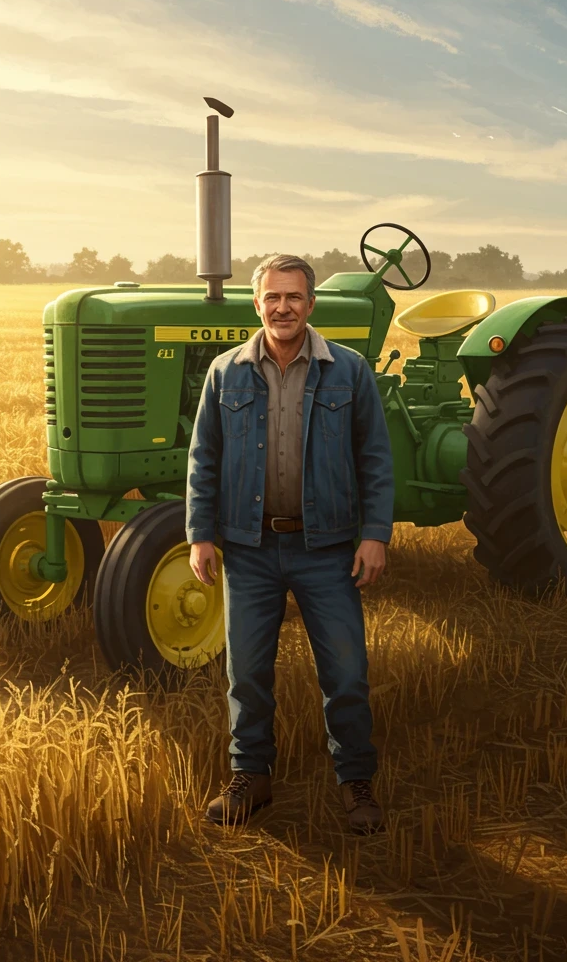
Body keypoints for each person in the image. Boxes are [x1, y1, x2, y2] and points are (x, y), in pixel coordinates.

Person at [185, 252, 394, 835]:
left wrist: (375, 534)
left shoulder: (348, 370)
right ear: (257, 304)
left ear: (311, 304)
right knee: (248, 674)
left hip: (325, 548)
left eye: (294, 297)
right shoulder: (225, 372)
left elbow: (375, 458)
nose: (283, 307)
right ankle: (250, 776)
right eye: (273, 297)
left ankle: (355, 779)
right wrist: (200, 534)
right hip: (250, 549)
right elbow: (203, 459)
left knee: (345, 672)